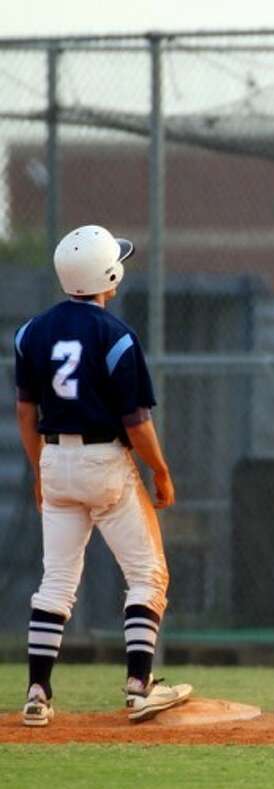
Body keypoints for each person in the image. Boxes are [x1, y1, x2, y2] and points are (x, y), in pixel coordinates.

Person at [14, 224, 192, 726]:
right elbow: (137, 423)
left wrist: (39, 472)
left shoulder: (31, 333)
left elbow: (26, 413)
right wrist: (161, 471)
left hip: (55, 461)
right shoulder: (116, 337)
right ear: (107, 275)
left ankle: (37, 693)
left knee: (56, 583)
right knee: (147, 574)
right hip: (103, 464)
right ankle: (139, 686)